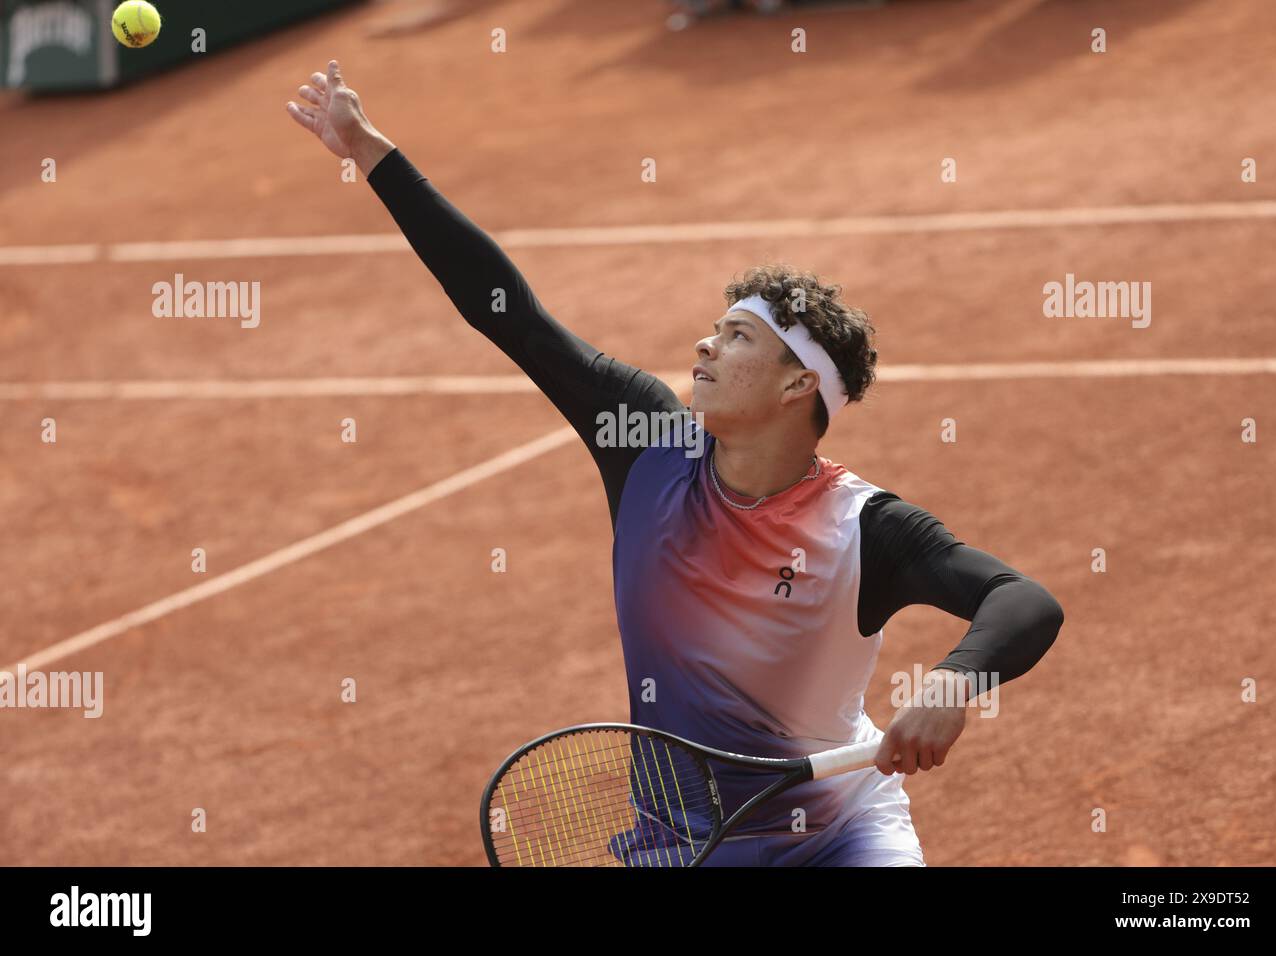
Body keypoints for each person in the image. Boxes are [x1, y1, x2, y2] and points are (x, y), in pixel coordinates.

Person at [286, 61, 1065, 867]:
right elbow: (510, 314)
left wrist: (953, 682)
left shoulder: (863, 528)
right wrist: (369, 150)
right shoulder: (646, 446)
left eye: (737, 337)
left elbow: (1023, 600)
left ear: (798, 384)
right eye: (715, 329)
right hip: (681, 844)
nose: (705, 343)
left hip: (842, 830)